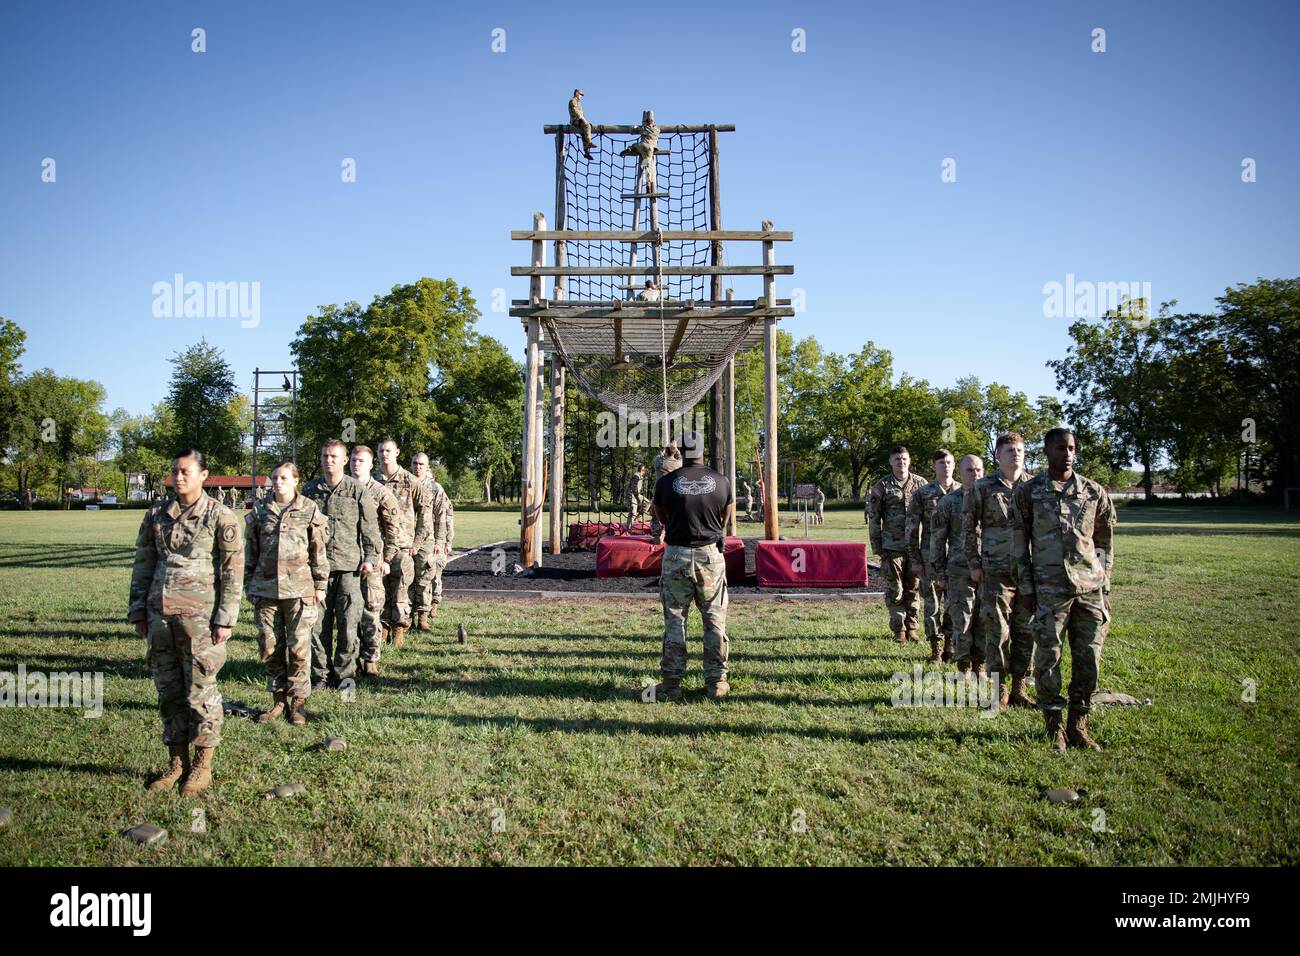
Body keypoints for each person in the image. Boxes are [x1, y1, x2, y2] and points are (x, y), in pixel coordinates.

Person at [129, 449, 243, 797]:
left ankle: (202, 766)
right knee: (169, 691)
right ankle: (176, 762)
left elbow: (232, 571)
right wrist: (138, 609)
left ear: (203, 474)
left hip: (200, 620)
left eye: (186, 472)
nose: (178, 478)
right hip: (160, 615)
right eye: (175, 472)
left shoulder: (220, 516)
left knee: (200, 692)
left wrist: (225, 618)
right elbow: (144, 562)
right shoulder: (156, 514)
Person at [1014, 429, 1116, 751]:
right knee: (1048, 659)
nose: (1068, 454)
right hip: (1049, 590)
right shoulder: (1029, 492)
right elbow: (1020, 546)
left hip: (1089, 588)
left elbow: (1104, 541)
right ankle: (1053, 727)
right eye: (1061, 448)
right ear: (1046, 451)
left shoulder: (1093, 492)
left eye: (1072, 448)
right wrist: (1027, 589)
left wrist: (1105, 582)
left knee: (1089, 658)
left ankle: (1078, 725)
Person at [652, 431, 735, 701]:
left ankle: (672, 684)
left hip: (675, 554)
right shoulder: (722, 482)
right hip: (710, 556)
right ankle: (717, 683)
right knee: (714, 621)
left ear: (681, 452)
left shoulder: (666, 483)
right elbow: (724, 518)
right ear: (702, 450)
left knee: (675, 620)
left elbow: (661, 516)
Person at [244, 462, 329, 725]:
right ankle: (278, 701)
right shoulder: (260, 510)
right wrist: (249, 584)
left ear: (295, 481)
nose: (277, 482)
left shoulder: (308, 508)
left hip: (299, 590)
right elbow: (251, 550)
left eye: (283, 478)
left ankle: (298, 703)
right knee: (269, 647)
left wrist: (320, 584)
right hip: (266, 589)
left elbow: (318, 550)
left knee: (299, 648)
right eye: (274, 478)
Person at [964, 433, 1035, 710]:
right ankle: (1000, 691)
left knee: (1026, 630)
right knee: (997, 631)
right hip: (995, 569)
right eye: (1008, 450)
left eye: (1019, 450)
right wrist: (973, 563)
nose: (1015, 454)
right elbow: (969, 527)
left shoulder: (1036, 487)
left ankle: (1019, 688)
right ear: (997, 455)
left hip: (1029, 571)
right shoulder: (983, 487)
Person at [303, 439, 381, 691]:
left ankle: (345, 676)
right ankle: (320, 677)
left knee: (348, 626)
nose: (329, 460)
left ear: (344, 460)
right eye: (325, 456)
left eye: (334, 456)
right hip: (317, 570)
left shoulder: (357, 490)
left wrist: (370, 558)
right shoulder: (310, 490)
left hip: (350, 568)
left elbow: (370, 529)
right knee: (317, 627)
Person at [930, 454, 986, 679]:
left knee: (984, 619)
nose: (976, 475)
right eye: (970, 471)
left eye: (979, 470)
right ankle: (963, 668)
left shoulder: (991, 499)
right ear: (960, 473)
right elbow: (937, 540)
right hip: (958, 569)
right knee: (962, 620)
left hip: (988, 569)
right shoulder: (948, 502)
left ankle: (980, 666)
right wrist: (940, 573)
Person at [374, 438, 432, 646]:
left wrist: (416, 543)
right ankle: (382, 627)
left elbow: (425, 515)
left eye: (388, 450)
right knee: (379, 589)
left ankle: (399, 627)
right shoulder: (372, 481)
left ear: (397, 452)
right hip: (378, 545)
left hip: (403, 545)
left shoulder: (410, 481)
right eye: (381, 450)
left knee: (401, 588)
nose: (384, 454)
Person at [350, 445, 401, 676]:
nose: (356, 464)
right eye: (353, 460)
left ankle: (370, 657)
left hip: (373, 559)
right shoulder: (343, 489)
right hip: (346, 559)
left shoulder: (381, 493)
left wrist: (387, 558)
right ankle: (349, 658)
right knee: (347, 611)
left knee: (371, 609)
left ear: (371, 465)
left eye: (361, 460)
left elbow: (392, 530)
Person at [867, 446, 925, 644]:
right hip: (892, 546)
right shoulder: (882, 486)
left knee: (914, 587)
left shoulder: (920, 484)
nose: (902, 462)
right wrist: (877, 547)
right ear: (891, 462)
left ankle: (912, 627)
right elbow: (874, 518)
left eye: (905, 458)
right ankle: (898, 629)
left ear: (909, 460)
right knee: (895, 589)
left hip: (916, 546)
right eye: (897, 459)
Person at [907, 449, 958, 664]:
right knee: (932, 605)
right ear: (933, 466)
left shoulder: (963, 491)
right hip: (930, 557)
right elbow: (911, 528)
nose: (945, 466)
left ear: (954, 465)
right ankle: (935, 649)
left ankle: (950, 646)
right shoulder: (923, 493)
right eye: (940, 463)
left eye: (948, 462)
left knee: (955, 604)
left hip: (957, 557)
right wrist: (916, 559)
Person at [410, 452, 454, 628]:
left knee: (425, 579)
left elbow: (441, 517)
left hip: (427, 541)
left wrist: (440, 542)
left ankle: (423, 617)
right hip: (407, 539)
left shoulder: (435, 489)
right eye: (415, 464)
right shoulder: (405, 484)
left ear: (427, 467)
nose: (418, 467)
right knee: (406, 580)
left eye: (421, 464)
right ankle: (407, 618)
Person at [649, 442, 682, 540]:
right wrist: (676, 449)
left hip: (659, 494)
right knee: (670, 516)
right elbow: (681, 458)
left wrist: (665, 448)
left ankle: (656, 534)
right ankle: (666, 532)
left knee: (655, 517)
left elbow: (658, 457)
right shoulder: (679, 463)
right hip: (674, 494)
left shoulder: (660, 462)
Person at [568, 89, 595, 160]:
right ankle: (589, 142)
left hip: (578, 120)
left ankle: (586, 153)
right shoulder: (573, 101)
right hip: (576, 120)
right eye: (580, 94)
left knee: (584, 134)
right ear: (576, 93)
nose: (581, 96)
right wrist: (582, 119)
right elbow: (575, 111)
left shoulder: (578, 102)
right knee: (587, 126)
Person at [623, 465, 650, 529]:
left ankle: (636, 518)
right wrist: (638, 499)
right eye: (645, 471)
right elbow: (634, 489)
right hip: (631, 494)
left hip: (637, 494)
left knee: (647, 503)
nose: (645, 473)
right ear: (642, 470)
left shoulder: (640, 477)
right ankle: (628, 529)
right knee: (633, 511)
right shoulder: (636, 476)